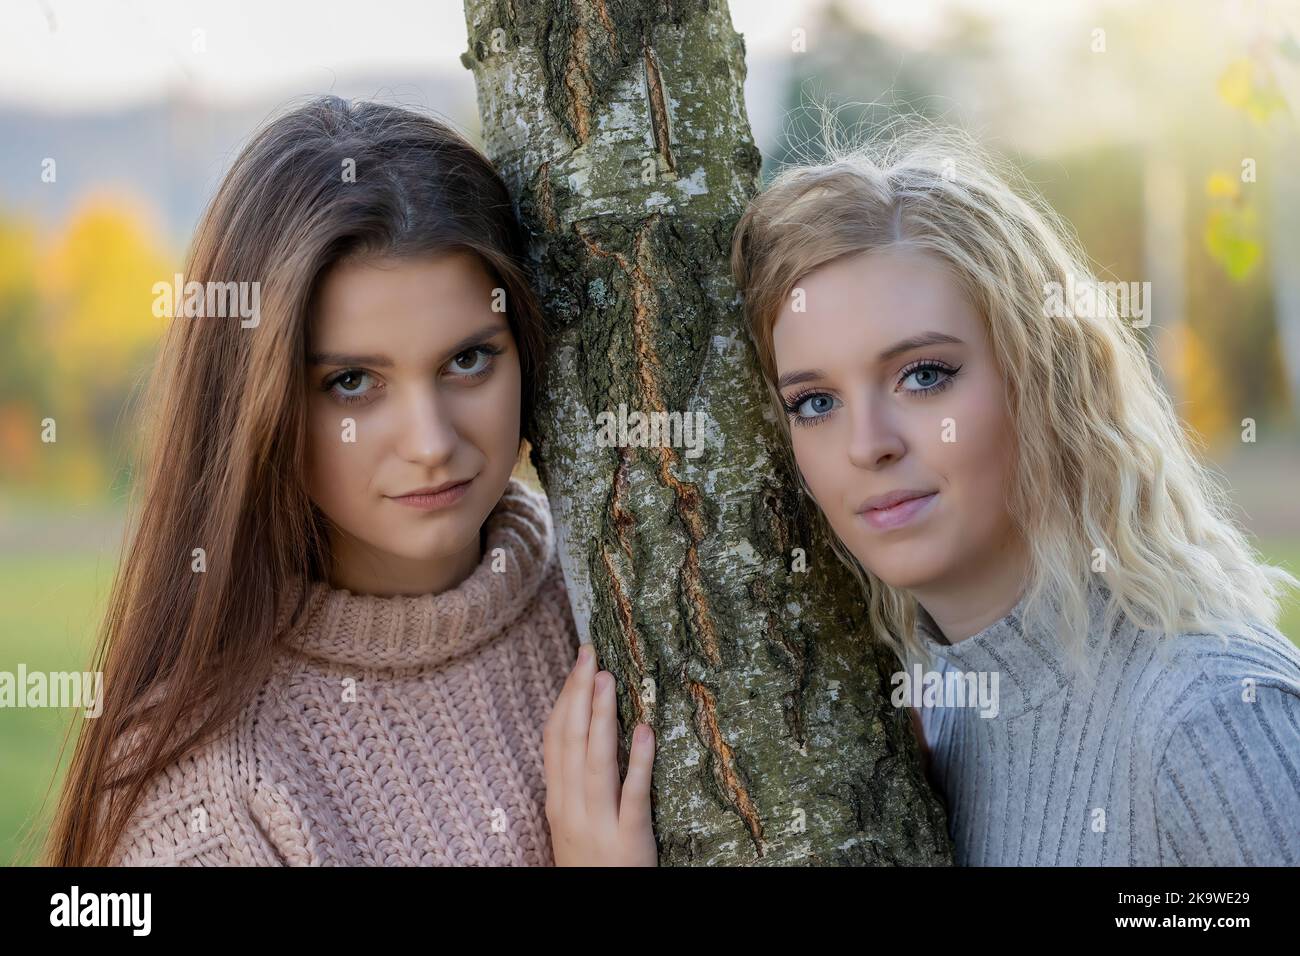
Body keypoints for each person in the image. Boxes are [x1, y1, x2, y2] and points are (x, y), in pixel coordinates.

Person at [546, 123, 1300, 867]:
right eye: (815, 401)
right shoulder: (920, 719)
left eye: (924, 375)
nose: (867, 443)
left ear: (1045, 378)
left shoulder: (1208, 717)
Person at [43, 97, 580, 866]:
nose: (431, 443)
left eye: (468, 360)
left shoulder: (622, 593)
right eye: (354, 381)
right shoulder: (210, 803)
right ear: (256, 404)